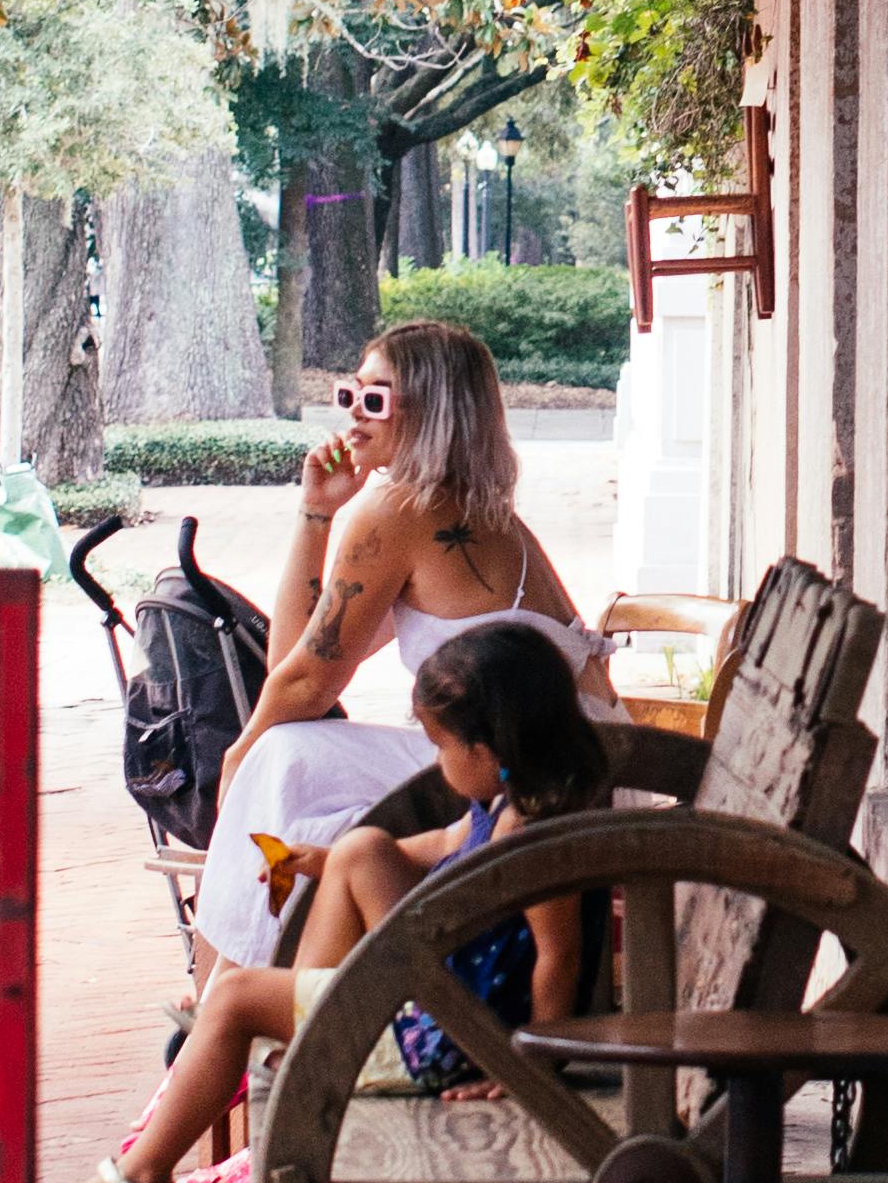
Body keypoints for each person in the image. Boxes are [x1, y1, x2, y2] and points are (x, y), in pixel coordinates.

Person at [47, 615, 625, 1183]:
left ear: (486, 751)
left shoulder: (530, 832)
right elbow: (444, 842)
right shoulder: (517, 799)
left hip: (447, 1039)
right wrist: (322, 859)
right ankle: (305, 1015)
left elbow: (557, 957)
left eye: (441, 746)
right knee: (364, 848)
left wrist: (525, 1068)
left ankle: (142, 1177)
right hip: (448, 1006)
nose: (436, 759)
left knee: (236, 998)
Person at [185, 314, 609, 947]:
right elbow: (296, 663)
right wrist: (317, 512)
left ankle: (239, 982)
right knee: (290, 754)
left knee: (278, 756)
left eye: (375, 399)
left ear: (432, 411)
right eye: (349, 394)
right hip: (567, 758)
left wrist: (239, 749)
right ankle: (251, 980)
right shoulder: (467, 508)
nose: (355, 414)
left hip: (532, 772)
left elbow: (304, 684)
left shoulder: (398, 511)